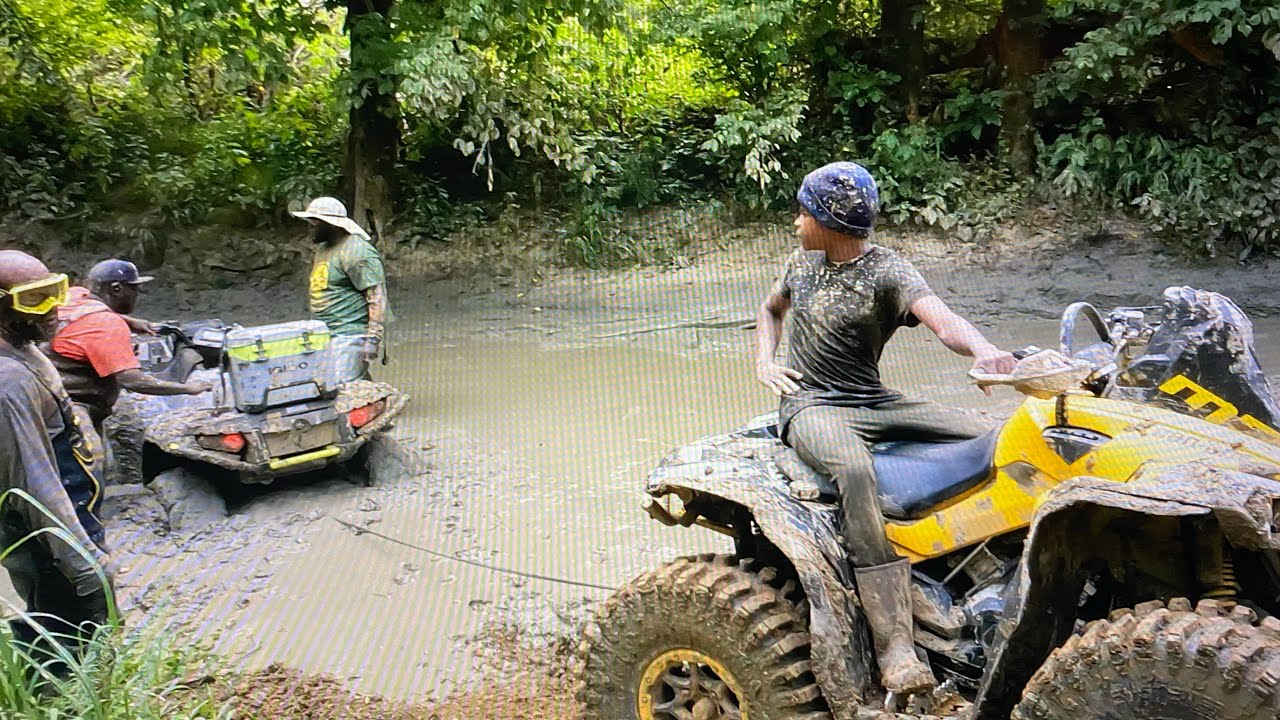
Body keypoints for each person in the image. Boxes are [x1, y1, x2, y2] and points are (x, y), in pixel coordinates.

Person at [754, 162, 1016, 695]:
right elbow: (769, 310)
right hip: (811, 405)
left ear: (829, 221)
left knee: (991, 430)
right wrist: (764, 363)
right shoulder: (801, 265)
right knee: (853, 470)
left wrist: (987, 350)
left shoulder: (888, 272)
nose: (796, 221)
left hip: (872, 400)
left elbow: (944, 322)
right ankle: (892, 642)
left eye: (803, 212)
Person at [0, 250, 115, 661]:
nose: (55, 309)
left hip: (68, 527)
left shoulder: (24, 351)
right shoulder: (8, 382)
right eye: (35, 299)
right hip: (48, 549)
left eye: (56, 291)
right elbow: (34, 485)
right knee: (63, 645)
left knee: (84, 637)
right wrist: (84, 563)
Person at [44, 259, 210, 436]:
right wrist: (188, 388)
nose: (137, 294)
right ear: (116, 289)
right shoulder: (108, 325)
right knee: (91, 460)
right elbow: (132, 381)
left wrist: (132, 321)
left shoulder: (74, 295)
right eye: (134, 289)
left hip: (46, 393)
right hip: (72, 405)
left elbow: (85, 314)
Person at [292, 197, 388, 380]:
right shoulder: (324, 249)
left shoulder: (357, 251)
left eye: (314, 223)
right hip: (324, 332)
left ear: (332, 225)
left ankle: (378, 399)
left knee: (340, 389)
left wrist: (373, 338)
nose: (309, 228)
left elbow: (376, 296)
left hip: (349, 334)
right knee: (324, 387)